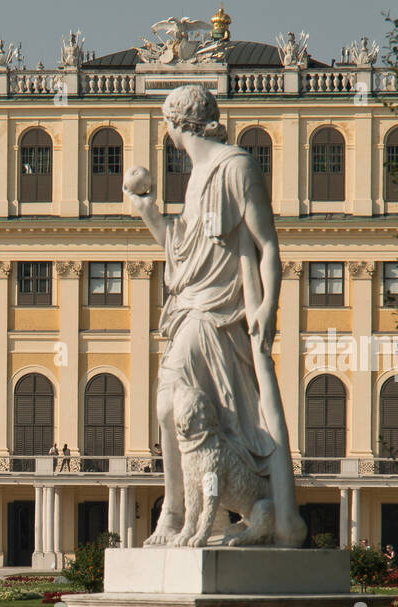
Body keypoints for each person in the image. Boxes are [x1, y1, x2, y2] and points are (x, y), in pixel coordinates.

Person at [128, 84, 304, 547]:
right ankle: (186, 513)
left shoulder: (236, 167)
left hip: (221, 312)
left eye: (166, 124)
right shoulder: (196, 177)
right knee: (186, 412)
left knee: (171, 404)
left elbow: (268, 245)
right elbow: (186, 253)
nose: (166, 133)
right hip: (190, 305)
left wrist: (268, 305)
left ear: (175, 124)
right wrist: (149, 215)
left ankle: (176, 514)